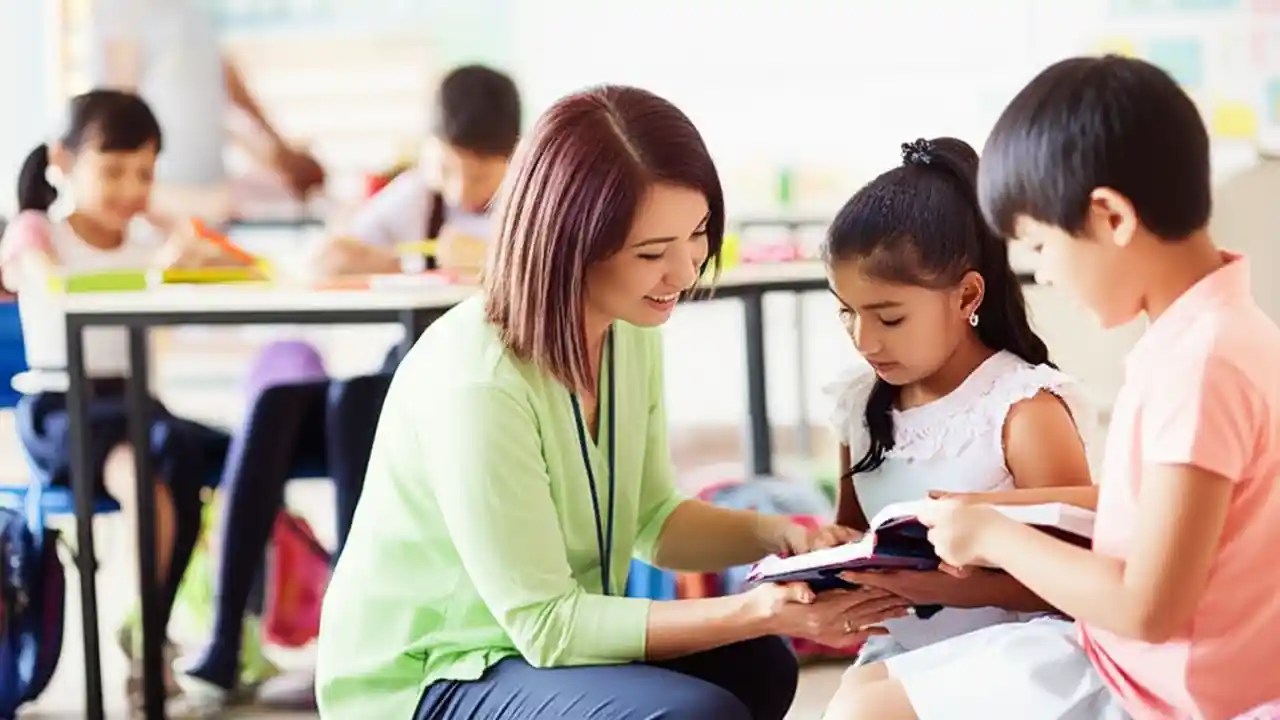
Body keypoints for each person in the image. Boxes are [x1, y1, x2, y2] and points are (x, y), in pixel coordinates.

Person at [316, 85, 909, 720]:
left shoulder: (626, 330)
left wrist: (784, 534)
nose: (684, 272)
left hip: (530, 652)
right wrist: (755, 608)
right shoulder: (479, 380)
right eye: (652, 253)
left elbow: (654, 521)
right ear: (569, 243)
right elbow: (549, 627)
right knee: (698, 709)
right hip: (431, 675)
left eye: (699, 234)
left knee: (757, 666)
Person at [828, 55, 1280, 720]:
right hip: (1127, 658)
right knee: (865, 691)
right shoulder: (1205, 336)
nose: (1042, 276)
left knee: (863, 712)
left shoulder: (1201, 366)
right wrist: (984, 510)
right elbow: (1147, 521)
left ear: (1109, 218)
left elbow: (1147, 609)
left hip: (1155, 685)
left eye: (1039, 246)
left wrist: (993, 535)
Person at [176, 64, 523, 709]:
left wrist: (484, 259)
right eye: (450, 168)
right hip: (404, 384)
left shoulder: (533, 203)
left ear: (512, 156)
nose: (464, 187)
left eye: (480, 172)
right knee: (283, 401)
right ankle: (226, 633)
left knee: (357, 400)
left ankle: (351, 627)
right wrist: (411, 258)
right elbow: (326, 257)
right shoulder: (421, 196)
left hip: (475, 397)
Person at [822, 136, 1092, 666]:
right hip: (902, 650)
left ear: (967, 295)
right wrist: (829, 555)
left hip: (1021, 655)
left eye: (890, 317)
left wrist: (958, 591)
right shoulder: (860, 404)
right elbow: (856, 533)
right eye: (846, 312)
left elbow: (1086, 578)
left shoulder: (1022, 409)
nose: (864, 340)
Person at [0, 89, 232, 699]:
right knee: (143, 481)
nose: (131, 189)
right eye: (114, 170)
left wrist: (179, 238)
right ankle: (149, 637)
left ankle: (164, 632)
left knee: (209, 453)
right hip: (64, 408)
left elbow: (241, 271)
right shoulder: (36, 231)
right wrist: (162, 270)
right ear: (63, 161)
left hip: (137, 406)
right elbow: (50, 286)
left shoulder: (147, 244)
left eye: (145, 174)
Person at [89, 0, 324, 224]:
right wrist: (142, 196)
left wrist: (279, 148)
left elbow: (223, 80)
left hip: (212, 193)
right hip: (166, 201)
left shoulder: (191, 9)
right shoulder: (121, 9)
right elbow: (119, 110)